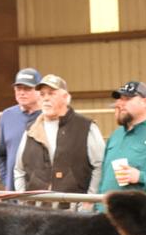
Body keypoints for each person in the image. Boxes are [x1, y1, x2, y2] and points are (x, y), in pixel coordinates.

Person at [13, 74, 103, 206]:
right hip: (36, 211)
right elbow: (19, 170)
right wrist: (23, 201)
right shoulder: (31, 130)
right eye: (42, 94)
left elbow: (99, 166)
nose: (46, 99)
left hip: (73, 211)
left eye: (51, 94)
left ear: (65, 97)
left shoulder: (85, 127)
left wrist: (89, 202)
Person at [0, 67, 41, 190]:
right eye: (18, 88)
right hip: (13, 192)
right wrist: (6, 181)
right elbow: (1, 154)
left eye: (27, 89)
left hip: (41, 192)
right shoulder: (7, 116)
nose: (22, 93)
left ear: (39, 91)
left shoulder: (48, 116)